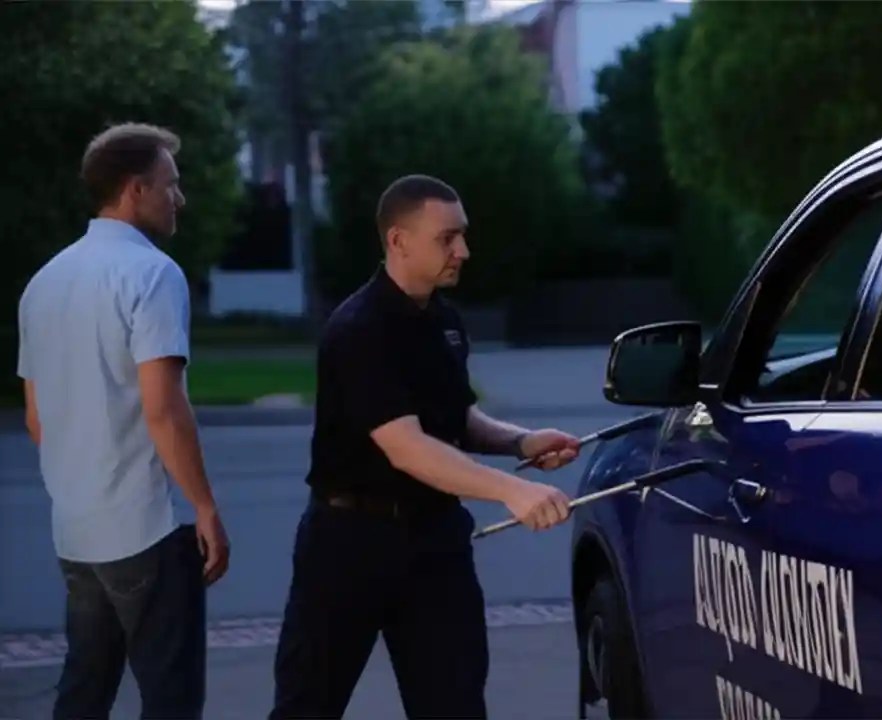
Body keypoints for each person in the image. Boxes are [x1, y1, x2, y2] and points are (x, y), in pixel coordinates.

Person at [270, 174, 580, 719]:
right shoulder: (358, 329)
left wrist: (522, 442)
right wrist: (514, 490)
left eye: (462, 236)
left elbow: (456, 416)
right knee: (307, 706)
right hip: (348, 545)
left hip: (436, 544)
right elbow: (407, 447)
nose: (464, 250)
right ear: (398, 240)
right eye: (448, 238)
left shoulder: (444, 321)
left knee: (454, 705)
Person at [16, 122, 230, 720]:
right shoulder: (152, 274)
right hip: (144, 530)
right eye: (171, 184)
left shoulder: (43, 283)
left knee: (84, 691)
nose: (179, 198)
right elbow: (163, 408)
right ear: (135, 190)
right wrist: (206, 508)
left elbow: (38, 419)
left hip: (77, 531)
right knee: (170, 697)